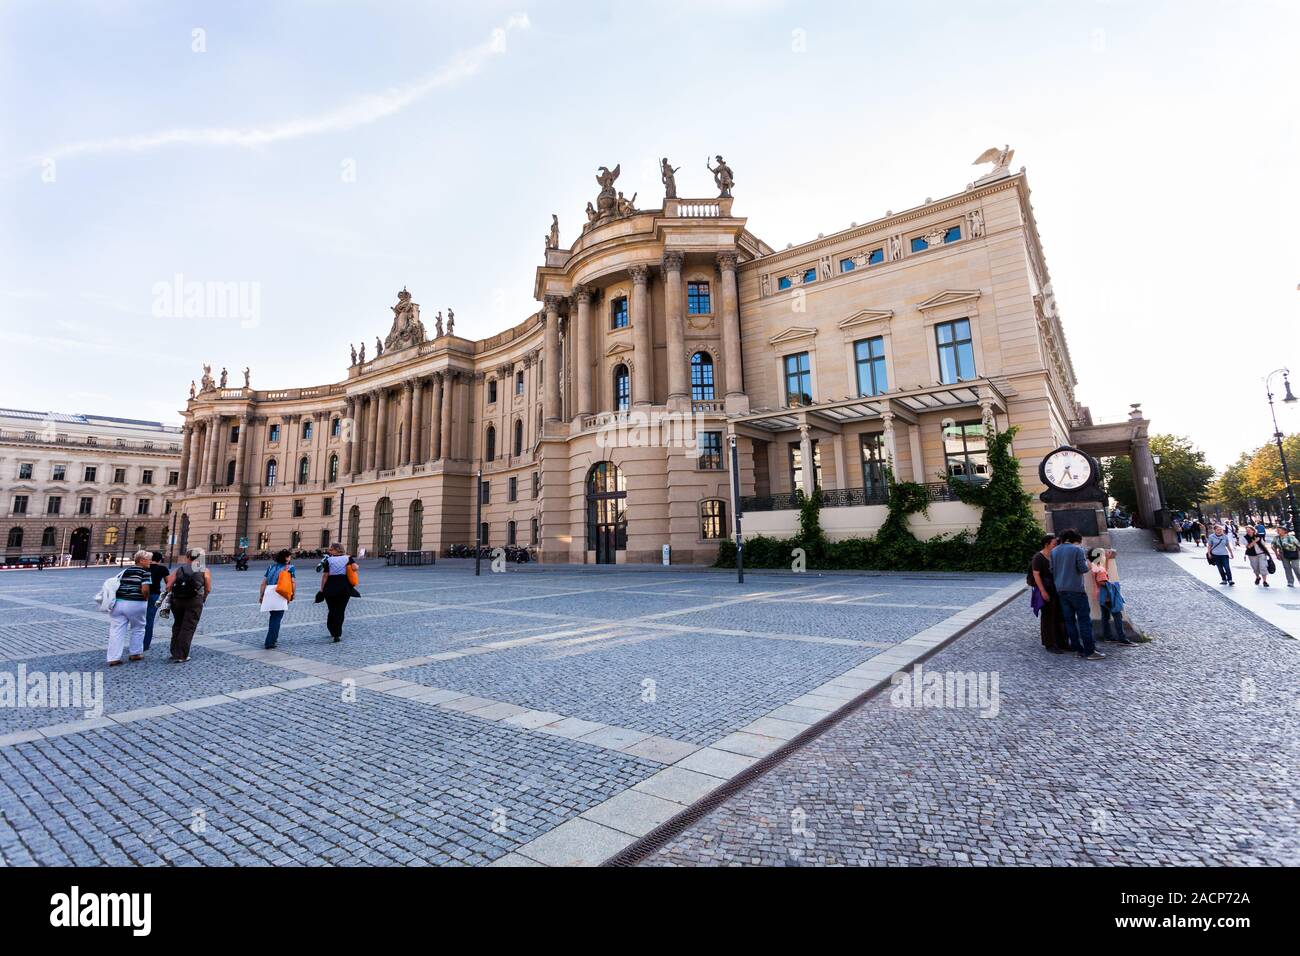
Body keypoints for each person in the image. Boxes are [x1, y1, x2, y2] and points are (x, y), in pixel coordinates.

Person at [1050, 529, 1104, 660]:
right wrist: (1089, 563)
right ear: (1073, 539)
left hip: (1061, 590)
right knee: (1084, 621)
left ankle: (1078, 650)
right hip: (1076, 590)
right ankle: (1090, 651)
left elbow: (1052, 570)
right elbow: (1083, 569)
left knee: (1070, 622)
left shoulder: (1054, 551)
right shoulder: (1077, 550)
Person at [166, 548, 212, 662]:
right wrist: (203, 598)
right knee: (188, 627)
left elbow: (168, 586)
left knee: (177, 625)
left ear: (188, 557)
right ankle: (181, 655)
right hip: (194, 600)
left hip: (177, 601)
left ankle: (174, 652)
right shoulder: (204, 570)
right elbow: (208, 588)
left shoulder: (179, 569)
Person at [107, 550, 152, 665]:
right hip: (135, 603)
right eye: (148, 559)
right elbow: (145, 588)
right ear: (141, 560)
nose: (150, 562)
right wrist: (146, 598)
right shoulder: (145, 572)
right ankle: (135, 653)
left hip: (118, 603)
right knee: (138, 628)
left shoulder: (125, 571)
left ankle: (113, 658)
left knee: (116, 630)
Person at [1028, 533, 1070, 652]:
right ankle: (1049, 643)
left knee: (1059, 616)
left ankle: (1061, 642)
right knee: (1048, 617)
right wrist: (1043, 591)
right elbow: (1036, 575)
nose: (1056, 546)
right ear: (1047, 544)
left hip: (1056, 588)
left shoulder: (1054, 555)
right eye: (1054, 544)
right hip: (1046, 589)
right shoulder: (1038, 557)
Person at [1090, 551, 1135, 645]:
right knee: (1117, 616)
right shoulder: (1099, 569)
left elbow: (1104, 570)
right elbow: (1101, 581)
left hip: (1100, 595)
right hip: (1107, 596)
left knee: (1105, 616)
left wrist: (1106, 559)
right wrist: (1112, 585)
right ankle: (1122, 639)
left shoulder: (1094, 567)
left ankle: (1108, 637)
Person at [317, 544, 358, 643]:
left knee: (332, 609)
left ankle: (331, 629)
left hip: (330, 586)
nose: (329, 551)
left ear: (336, 550)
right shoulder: (348, 558)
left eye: (331, 549)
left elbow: (325, 575)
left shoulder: (329, 560)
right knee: (340, 610)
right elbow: (355, 568)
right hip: (344, 586)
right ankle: (337, 633)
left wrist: (322, 589)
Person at [259, 549, 296, 649]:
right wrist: (293, 594)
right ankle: (270, 642)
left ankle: (272, 639)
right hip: (280, 592)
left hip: (269, 592)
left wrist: (261, 595)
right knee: (277, 618)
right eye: (289, 556)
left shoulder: (270, 567)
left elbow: (263, 583)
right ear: (286, 558)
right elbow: (292, 582)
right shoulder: (290, 568)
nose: (290, 558)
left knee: (273, 617)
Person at [142, 550, 169, 652]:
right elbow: (168, 582)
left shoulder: (144, 567)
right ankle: (145, 644)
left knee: (139, 620)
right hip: (154, 595)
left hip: (141, 595)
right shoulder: (162, 568)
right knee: (150, 620)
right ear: (160, 559)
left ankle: (136, 642)